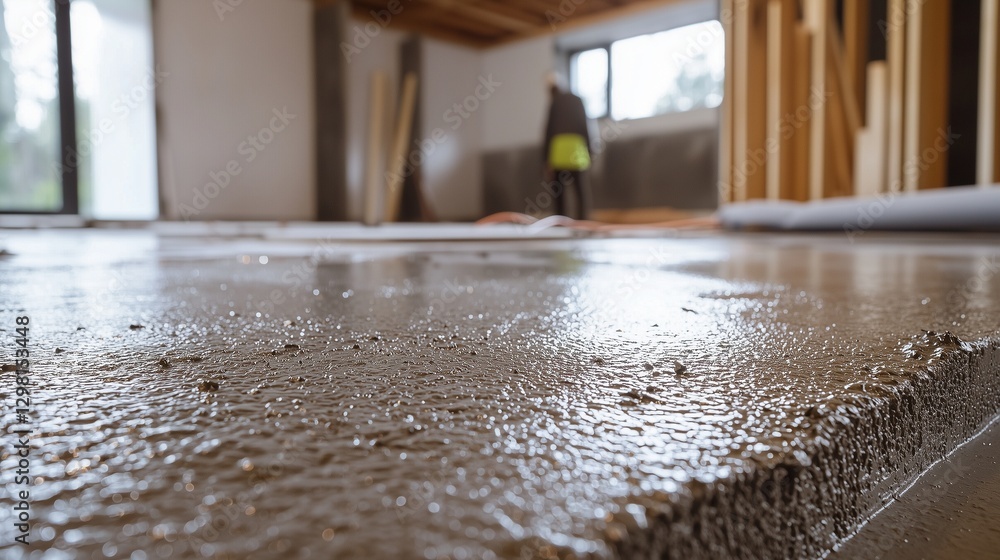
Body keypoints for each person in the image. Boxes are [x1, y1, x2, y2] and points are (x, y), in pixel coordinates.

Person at [543, 73, 594, 220]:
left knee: (558, 190)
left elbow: (548, 131)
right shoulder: (577, 100)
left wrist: (545, 160)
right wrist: (589, 150)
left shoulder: (554, 103)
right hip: (576, 148)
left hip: (559, 149)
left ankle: (560, 221)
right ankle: (583, 220)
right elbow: (585, 126)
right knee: (580, 189)